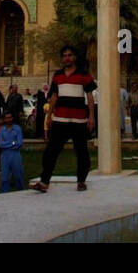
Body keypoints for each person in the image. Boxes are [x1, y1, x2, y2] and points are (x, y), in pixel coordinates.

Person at [33, 46, 96, 192]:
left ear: (74, 57)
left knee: (81, 152)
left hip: (79, 120)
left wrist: (91, 117)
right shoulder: (57, 75)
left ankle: (81, 181)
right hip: (60, 120)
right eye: (64, 55)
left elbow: (90, 97)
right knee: (51, 152)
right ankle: (44, 182)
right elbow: (54, 97)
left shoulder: (83, 74)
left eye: (70, 55)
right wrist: (49, 116)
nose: (67, 58)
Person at [0, 110, 25, 193]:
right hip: (5, 155)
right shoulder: (2, 130)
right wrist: (13, 143)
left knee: (18, 176)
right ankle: (4, 195)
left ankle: (21, 193)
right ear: (4, 119)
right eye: (6, 118)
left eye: (10, 117)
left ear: (12, 118)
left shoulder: (17, 128)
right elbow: (0, 144)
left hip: (15, 154)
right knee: (4, 178)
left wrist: (8, 143)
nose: (8, 120)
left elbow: (19, 143)